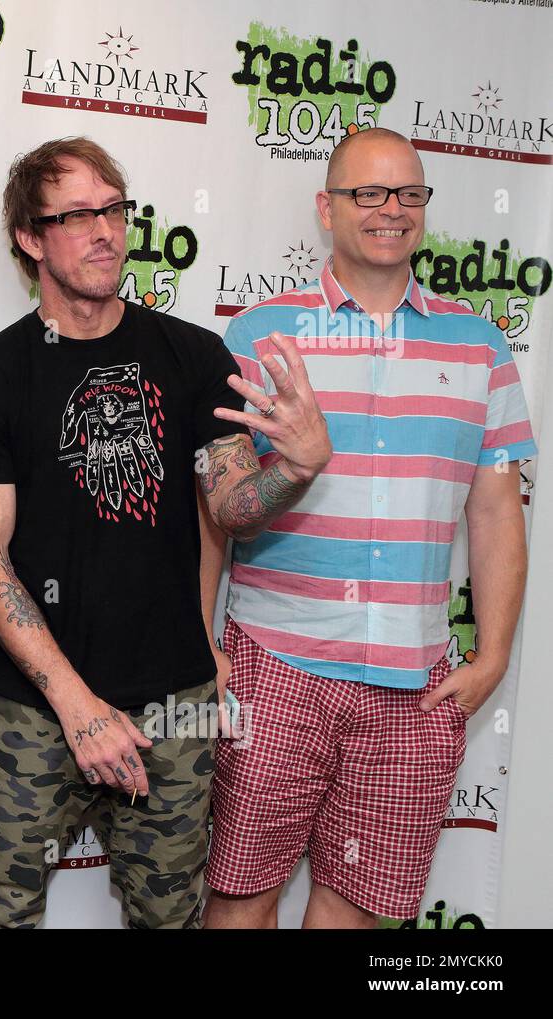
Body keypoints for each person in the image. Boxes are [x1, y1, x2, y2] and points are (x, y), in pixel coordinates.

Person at [0, 136, 332, 929]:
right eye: (78, 214)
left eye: (114, 210)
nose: (105, 231)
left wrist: (295, 469)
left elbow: (230, 505)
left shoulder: (191, 355)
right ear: (30, 237)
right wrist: (78, 705)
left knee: (169, 917)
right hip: (36, 707)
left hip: (175, 705)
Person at [203, 127, 538, 928]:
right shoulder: (259, 337)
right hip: (274, 668)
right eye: (369, 193)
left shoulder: (482, 346)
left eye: (409, 194)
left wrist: (491, 656)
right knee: (239, 899)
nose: (392, 210)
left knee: (353, 912)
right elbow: (218, 509)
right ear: (327, 207)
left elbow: (495, 512)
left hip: (416, 685)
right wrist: (202, 640)